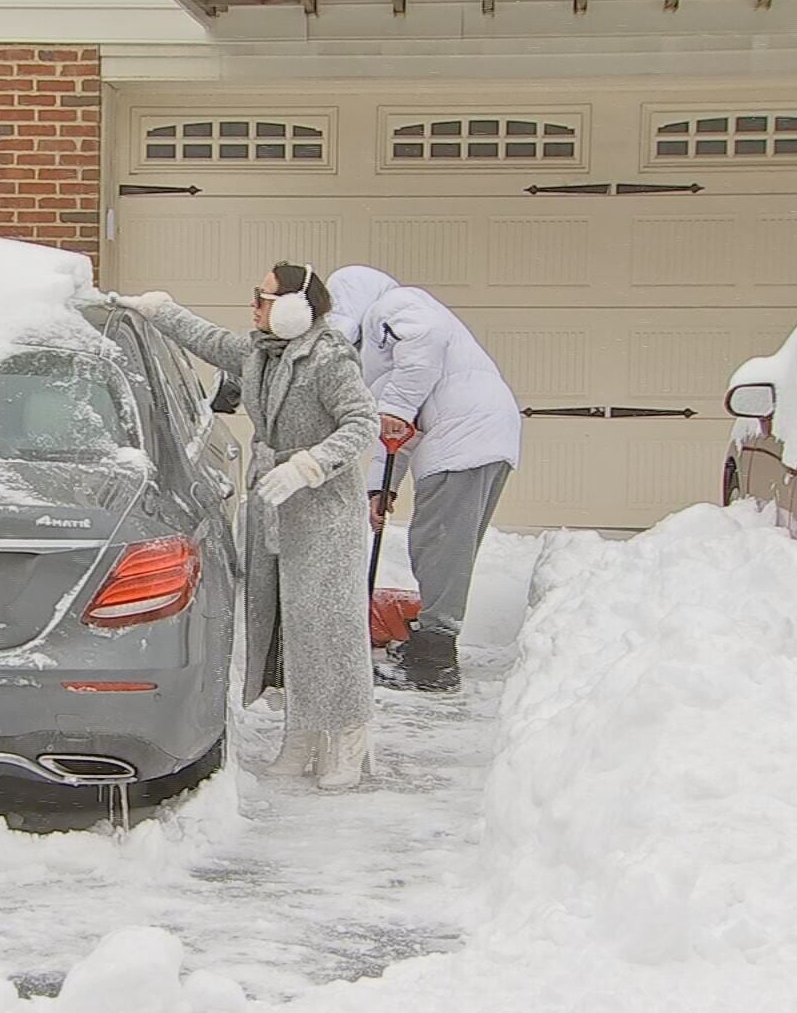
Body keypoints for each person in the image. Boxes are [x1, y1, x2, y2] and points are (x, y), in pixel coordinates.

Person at [114, 263, 380, 789]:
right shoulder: (260, 353)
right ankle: (301, 732)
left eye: (263, 298)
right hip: (274, 508)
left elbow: (362, 422)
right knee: (285, 624)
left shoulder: (329, 359)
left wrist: (310, 466)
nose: (253, 306)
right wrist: (161, 310)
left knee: (330, 628)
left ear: (295, 309)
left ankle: (348, 734)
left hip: (323, 513)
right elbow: (210, 340)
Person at [326, 265, 522, 692]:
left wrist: (394, 407)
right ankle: (430, 642)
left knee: (440, 544)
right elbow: (395, 428)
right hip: (483, 432)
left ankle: (434, 661)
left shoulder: (397, 306)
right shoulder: (391, 355)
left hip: (466, 434)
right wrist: (382, 488)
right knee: (446, 545)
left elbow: (419, 354)